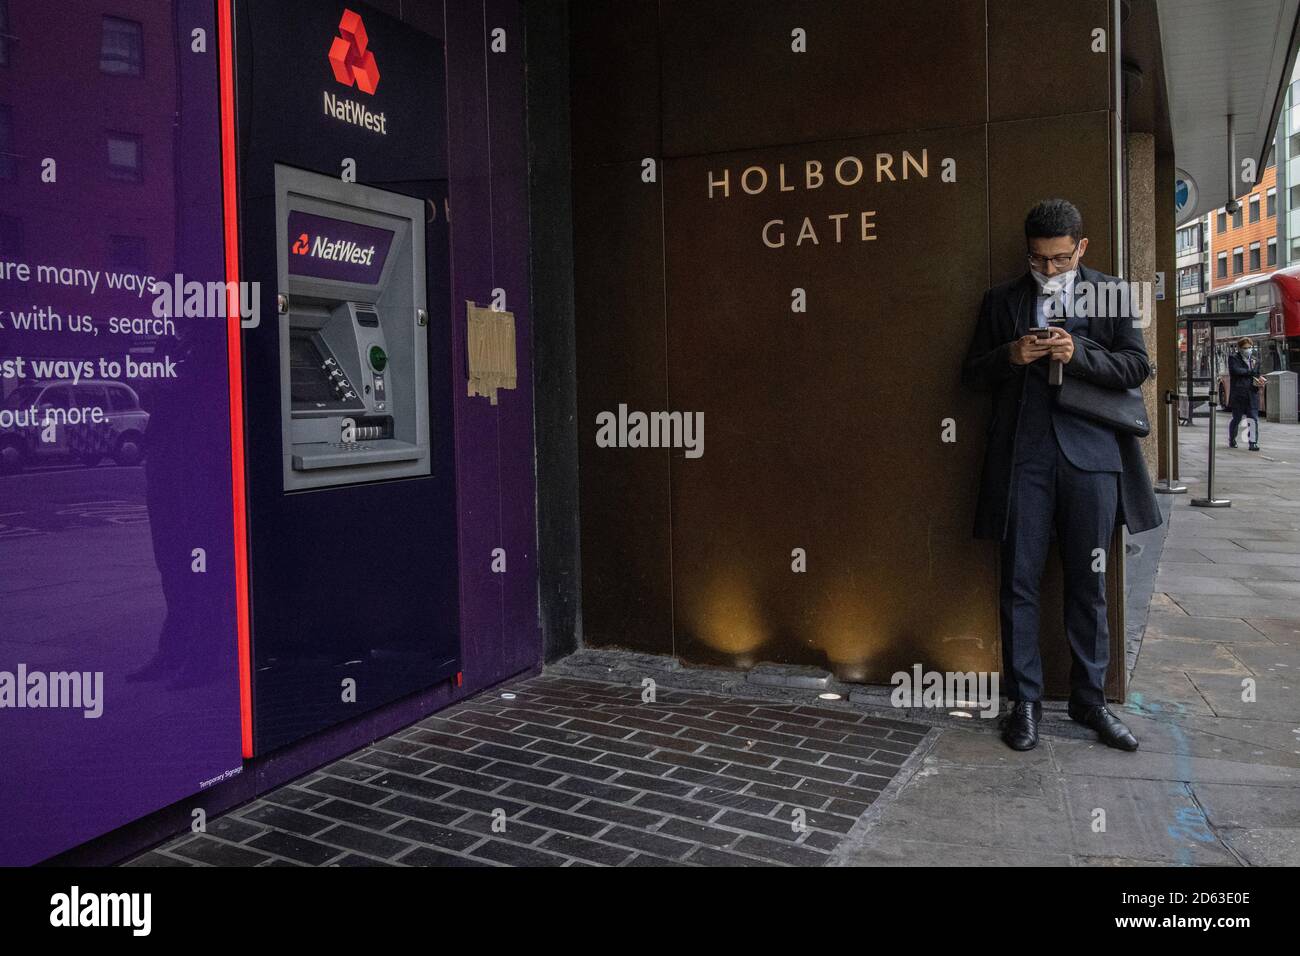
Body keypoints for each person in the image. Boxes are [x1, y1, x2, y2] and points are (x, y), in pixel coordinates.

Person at [962, 199, 1162, 753]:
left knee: (1089, 584)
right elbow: (970, 373)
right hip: (1023, 458)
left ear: (1082, 248)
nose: (1047, 269)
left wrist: (1077, 355)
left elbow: (1137, 366)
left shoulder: (1111, 293)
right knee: (1019, 582)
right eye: (1037, 260)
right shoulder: (1001, 300)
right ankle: (1023, 703)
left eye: (1058, 259)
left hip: (1092, 459)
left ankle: (1089, 701)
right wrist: (1012, 355)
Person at [1227, 337, 1265, 451]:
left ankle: (1253, 442)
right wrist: (1250, 372)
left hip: (1252, 394)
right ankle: (1232, 438)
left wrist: (1260, 380)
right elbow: (1235, 371)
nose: (1247, 350)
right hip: (1239, 394)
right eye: (1245, 348)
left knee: (1253, 419)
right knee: (1237, 419)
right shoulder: (1233, 358)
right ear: (1239, 348)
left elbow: (1256, 374)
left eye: (1249, 347)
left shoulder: (1255, 360)